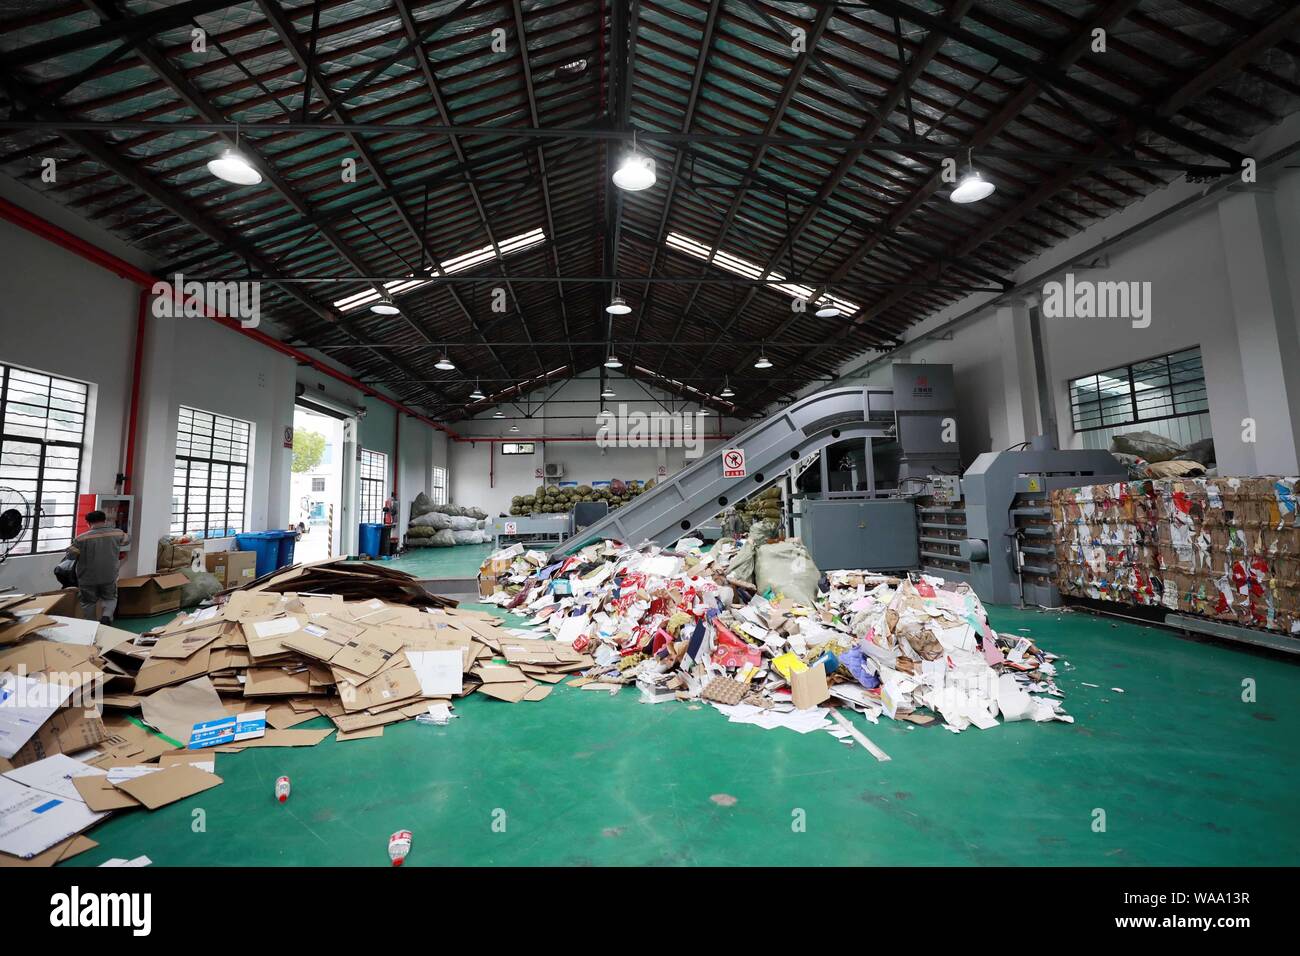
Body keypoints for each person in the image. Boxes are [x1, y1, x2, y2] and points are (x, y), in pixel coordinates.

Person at [66, 510, 130, 623]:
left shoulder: (80, 539)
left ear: (88, 522)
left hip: (87, 577)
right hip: (109, 575)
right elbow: (127, 540)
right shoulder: (117, 533)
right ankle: (106, 616)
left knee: (88, 602)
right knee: (110, 597)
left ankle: (91, 624)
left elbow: (71, 556)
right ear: (105, 520)